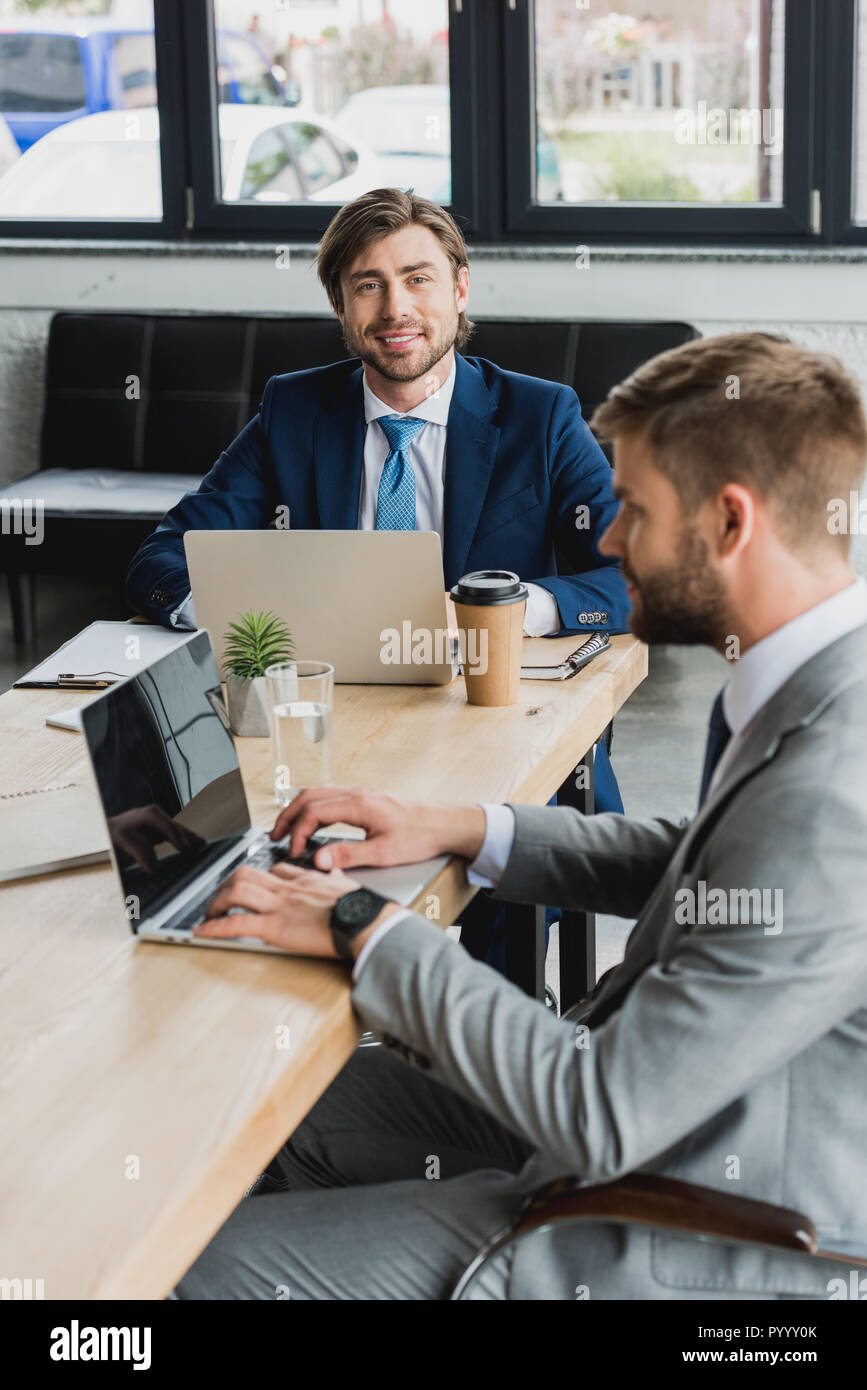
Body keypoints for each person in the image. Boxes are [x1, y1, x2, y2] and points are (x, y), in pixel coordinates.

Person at [171, 330, 867, 1300]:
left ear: (732, 520)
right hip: (643, 1119)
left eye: (632, 509)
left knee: (181, 1273)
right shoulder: (817, 683)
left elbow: (600, 1113)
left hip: (677, 1226)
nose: (609, 540)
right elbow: (713, 864)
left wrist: (357, 924)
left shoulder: (837, 787)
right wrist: (465, 828)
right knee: (257, 1107)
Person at [124, 187, 630, 969]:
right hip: (327, 724)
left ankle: (476, 1051)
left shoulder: (541, 415)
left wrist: (510, 610)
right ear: (341, 305)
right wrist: (223, 611)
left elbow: (628, 578)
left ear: (460, 290)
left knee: (490, 892)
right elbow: (163, 557)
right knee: (198, 839)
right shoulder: (295, 409)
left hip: (484, 727)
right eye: (369, 284)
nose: (397, 308)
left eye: (418, 279)